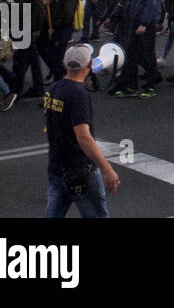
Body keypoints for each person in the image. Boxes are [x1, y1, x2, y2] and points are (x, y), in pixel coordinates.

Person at [43, 43, 120, 217]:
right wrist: (107, 169)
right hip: (79, 170)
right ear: (90, 65)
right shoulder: (78, 95)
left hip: (56, 166)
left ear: (64, 64)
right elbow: (83, 137)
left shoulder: (54, 89)